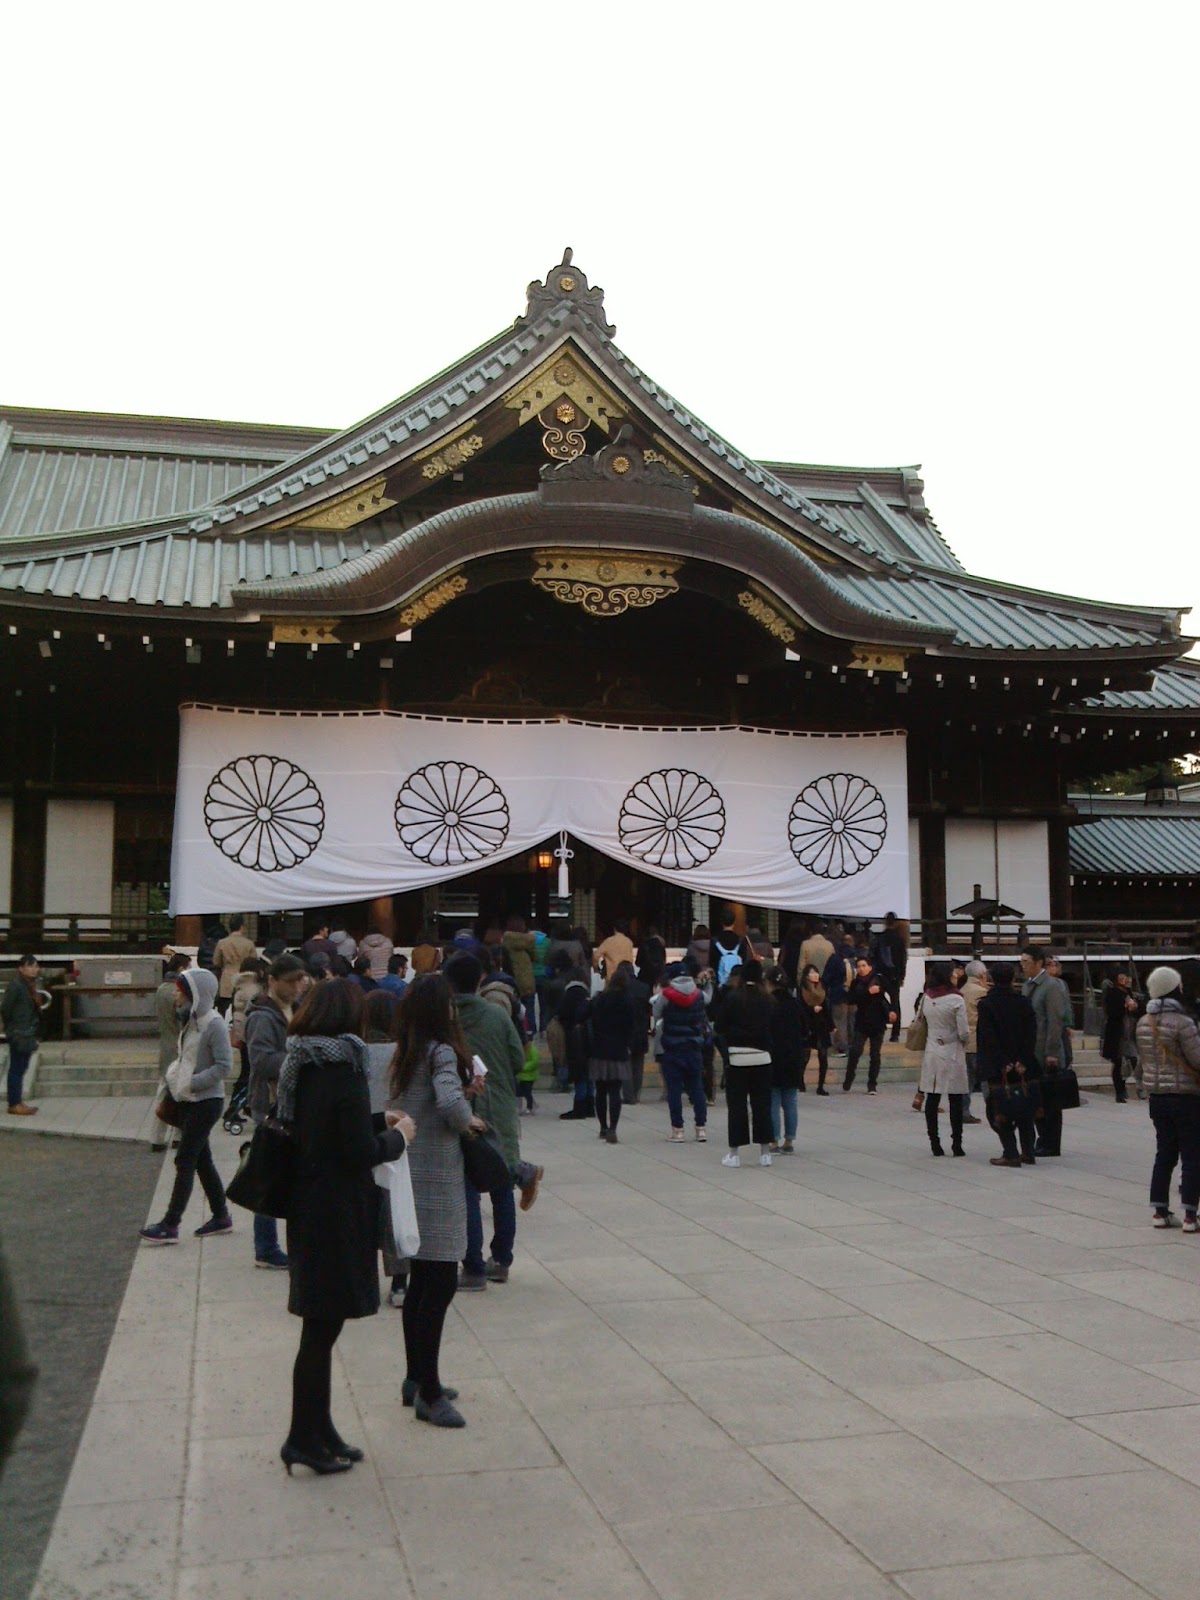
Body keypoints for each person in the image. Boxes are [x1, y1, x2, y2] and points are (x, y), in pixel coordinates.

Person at [276, 978, 412, 1473]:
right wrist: (397, 1138)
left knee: (320, 1329)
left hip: (309, 1204)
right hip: (335, 1211)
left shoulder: (306, 1063)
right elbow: (357, 1151)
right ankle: (302, 1437)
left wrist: (377, 1119)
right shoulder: (345, 1067)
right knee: (320, 1331)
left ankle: (318, 1429)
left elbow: (329, 1128)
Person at [388, 973, 483, 1428]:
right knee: (440, 1283)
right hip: (440, 1176)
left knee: (420, 1283)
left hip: (409, 1174)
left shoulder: (404, 1051)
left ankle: (416, 1377)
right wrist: (471, 1117)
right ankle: (429, 1391)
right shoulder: (441, 1051)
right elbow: (449, 1106)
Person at [443, 953, 544, 1290]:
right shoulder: (498, 1016)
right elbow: (519, 1057)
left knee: (467, 1190)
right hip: (498, 1107)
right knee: (501, 1185)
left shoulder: (444, 1020)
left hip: (459, 1108)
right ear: (480, 980)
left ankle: (471, 1268)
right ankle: (500, 1260)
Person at [140, 968, 233, 1243]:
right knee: (202, 1161)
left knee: (185, 1159)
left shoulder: (213, 1024)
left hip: (206, 1101)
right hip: (190, 1100)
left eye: (181, 990)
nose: (175, 994)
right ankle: (221, 1216)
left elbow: (224, 1066)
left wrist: (192, 1082)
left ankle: (171, 1223)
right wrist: (175, 1077)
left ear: (195, 994)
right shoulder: (191, 1020)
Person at [244, 954, 309, 1269]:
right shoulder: (262, 1016)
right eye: (291, 980)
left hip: (292, 1101)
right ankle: (266, 1246)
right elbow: (261, 1061)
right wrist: (301, 1058)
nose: (298, 986)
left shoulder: (296, 1009)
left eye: (301, 980)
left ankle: (279, 1243)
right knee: (270, 1175)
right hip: (269, 1103)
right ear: (273, 980)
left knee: (287, 1174)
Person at [1136, 966, 1200, 1230]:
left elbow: (1142, 1063)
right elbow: (1197, 1059)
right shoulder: (1183, 1022)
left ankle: (1159, 1211)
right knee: (1192, 1155)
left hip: (1158, 1097)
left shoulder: (1143, 1022)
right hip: (1186, 1097)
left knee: (1164, 1153)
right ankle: (1189, 1216)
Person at [362, 989, 409, 1306]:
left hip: (363, 1132)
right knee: (395, 1211)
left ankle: (363, 1279)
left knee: (364, 1210)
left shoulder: (358, 1051)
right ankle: (400, 1284)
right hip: (396, 1132)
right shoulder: (404, 1052)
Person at [976, 962, 1039, 1167]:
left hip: (997, 1065)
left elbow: (988, 1037)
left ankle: (1010, 1152)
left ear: (992, 979)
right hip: (1023, 1064)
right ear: (1013, 979)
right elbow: (1031, 1034)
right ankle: (1028, 1151)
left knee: (1000, 1107)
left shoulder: (986, 1004)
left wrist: (1003, 1062)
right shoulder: (1024, 1002)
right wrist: (1022, 1060)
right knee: (1024, 1106)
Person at [716, 959, 774, 1167]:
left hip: (737, 1057)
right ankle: (765, 1152)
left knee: (737, 1105)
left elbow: (720, 1027)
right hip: (762, 1057)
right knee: (762, 1104)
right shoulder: (768, 999)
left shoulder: (732, 998)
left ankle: (734, 1154)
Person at [653, 961, 708, 1142]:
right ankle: (701, 1128)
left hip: (673, 1048)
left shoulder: (666, 995)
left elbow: (657, 1013)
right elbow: (708, 1001)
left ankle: (678, 1130)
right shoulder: (699, 994)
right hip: (693, 1047)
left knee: (674, 1090)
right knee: (697, 1088)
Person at [1021, 946, 1068, 1157]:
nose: (1023, 966)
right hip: (1031, 1050)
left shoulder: (1051, 986)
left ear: (1039, 963)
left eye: (1027, 962)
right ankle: (1042, 1138)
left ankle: (1051, 1142)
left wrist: (1052, 1052)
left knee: (1050, 1100)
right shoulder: (1026, 986)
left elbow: (1055, 1020)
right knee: (1036, 1097)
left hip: (1046, 1051)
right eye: (1021, 962)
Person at [919, 963, 969, 1157]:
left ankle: (935, 1142)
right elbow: (963, 1031)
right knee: (955, 1098)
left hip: (932, 1049)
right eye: (953, 973)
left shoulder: (927, 997)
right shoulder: (956, 999)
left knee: (932, 1097)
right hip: (952, 1049)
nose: (956, 975)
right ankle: (957, 1143)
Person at [588, 966, 636, 1142]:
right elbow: (631, 1026)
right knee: (615, 1090)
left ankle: (602, 1127)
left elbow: (589, 1017)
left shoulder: (600, 999)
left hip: (600, 1048)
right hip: (619, 1049)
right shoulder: (628, 1001)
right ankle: (613, 1128)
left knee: (600, 1090)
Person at [841, 957, 896, 1095]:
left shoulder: (879, 979)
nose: (861, 968)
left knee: (875, 1054)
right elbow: (851, 999)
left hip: (878, 1022)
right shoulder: (856, 983)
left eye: (864, 965)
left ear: (870, 967)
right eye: (859, 966)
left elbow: (893, 994)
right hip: (862, 1022)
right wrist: (867, 992)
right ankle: (849, 1076)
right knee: (855, 1051)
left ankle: (872, 1084)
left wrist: (893, 1010)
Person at [765, 967, 804, 1152]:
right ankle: (789, 1141)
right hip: (794, 1056)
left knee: (773, 1099)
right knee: (790, 1101)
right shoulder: (795, 1004)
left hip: (773, 1056)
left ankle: (773, 1140)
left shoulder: (768, 1004)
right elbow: (805, 1029)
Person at [2, 955, 42, 1117]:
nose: (34, 969)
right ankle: (14, 1103)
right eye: (30, 966)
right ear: (21, 968)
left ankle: (17, 1100)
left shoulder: (28, 985)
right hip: (19, 1032)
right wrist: (11, 1027)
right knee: (16, 1068)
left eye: (36, 966)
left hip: (28, 1031)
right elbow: (5, 1008)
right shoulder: (16, 986)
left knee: (22, 1067)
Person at [556, 966, 595, 1120]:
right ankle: (590, 1105)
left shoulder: (569, 995)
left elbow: (562, 1015)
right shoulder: (586, 994)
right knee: (589, 1073)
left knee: (579, 1073)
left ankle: (579, 1106)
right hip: (589, 1039)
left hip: (575, 1039)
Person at [1103, 970, 1141, 1104]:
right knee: (1118, 1062)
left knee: (1133, 1059)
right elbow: (1111, 1011)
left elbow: (1138, 1010)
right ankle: (1119, 1091)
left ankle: (1128, 1085)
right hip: (1117, 1033)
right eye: (1122, 977)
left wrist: (1134, 1007)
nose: (1125, 979)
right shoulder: (1112, 993)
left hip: (1129, 1032)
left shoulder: (1129, 993)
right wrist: (1125, 1007)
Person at [959, 960, 990, 1123]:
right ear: (982, 974)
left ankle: (963, 1111)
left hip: (964, 1042)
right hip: (979, 1041)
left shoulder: (961, 991)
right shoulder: (981, 993)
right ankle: (993, 1109)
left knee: (967, 1080)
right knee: (986, 1079)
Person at [871, 913, 908, 1040]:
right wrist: (902, 976)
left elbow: (873, 956)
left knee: (877, 1000)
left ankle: (879, 1026)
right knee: (895, 1003)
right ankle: (895, 1034)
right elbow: (903, 960)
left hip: (880, 975)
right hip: (895, 976)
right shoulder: (900, 939)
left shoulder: (879, 938)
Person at [620, 959, 652, 1105]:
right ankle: (636, 1093)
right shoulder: (644, 987)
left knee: (626, 1064)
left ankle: (628, 1095)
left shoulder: (620, 988)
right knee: (638, 1064)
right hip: (641, 1029)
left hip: (625, 1029)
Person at [798, 962, 832, 1094]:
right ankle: (800, 1080)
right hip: (808, 1025)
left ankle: (821, 1086)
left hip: (821, 1025)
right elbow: (800, 1008)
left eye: (816, 972)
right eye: (812, 973)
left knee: (823, 1056)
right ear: (806, 976)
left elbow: (827, 1007)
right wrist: (812, 1009)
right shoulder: (802, 989)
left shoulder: (822, 987)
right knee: (805, 1057)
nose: (815, 975)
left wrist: (831, 1024)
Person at [212, 916, 256, 1015]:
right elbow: (253, 962)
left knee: (223, 1010)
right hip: (244, 978)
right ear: (241, 927)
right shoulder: (249, 944)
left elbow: (216, 962)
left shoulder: (222, 943)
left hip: (226, 978)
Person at [822, 930, 856, 1054]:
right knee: (852, 1020)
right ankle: (854, 1043)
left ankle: (842, 1046)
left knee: (840, 1021)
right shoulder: (856, 957)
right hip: (854, 995)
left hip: (838, 995)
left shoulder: (835, 958)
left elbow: (826, 978)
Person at [711, 910, 749, 988]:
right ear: (734, 922)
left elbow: (712, 962)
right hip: (737, 984)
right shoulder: (740, 940)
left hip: (720, 984)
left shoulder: (715, 941)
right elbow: (744, 960)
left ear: (721, 922)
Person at [593, 919, 635, 984]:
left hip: (612, 976)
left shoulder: (609, 941)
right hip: (626, 977)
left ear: (614, 929)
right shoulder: (629, 942)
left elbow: (596, 955)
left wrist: (596, 969)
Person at [799, 922, 835, 990]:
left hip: (810, 982)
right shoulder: (829, 945)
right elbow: (834, 965)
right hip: (826, 982)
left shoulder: (805, 944)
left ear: (811, 932)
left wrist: (799, 983)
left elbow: (801, 967)